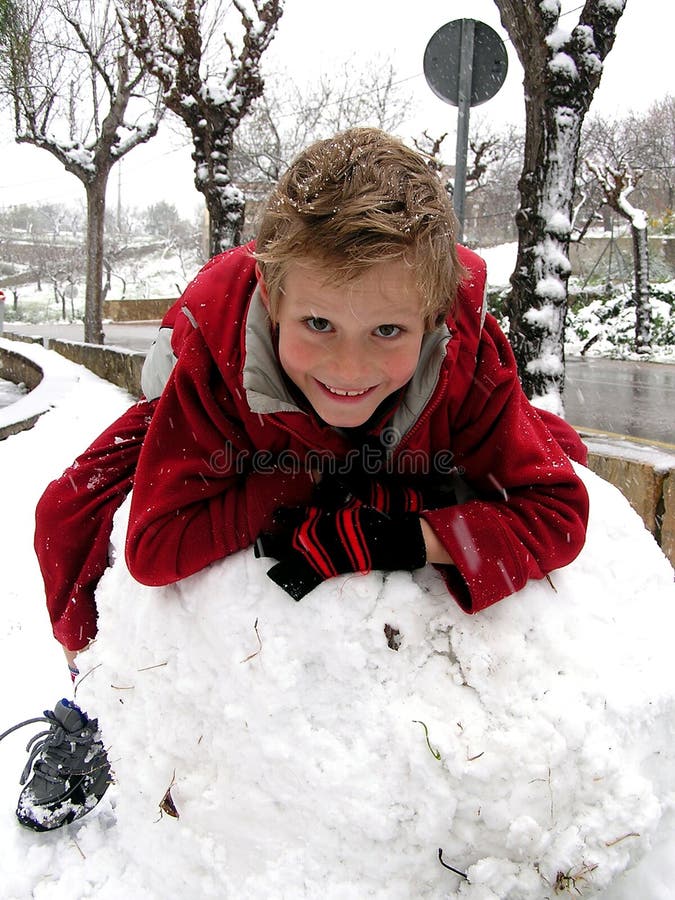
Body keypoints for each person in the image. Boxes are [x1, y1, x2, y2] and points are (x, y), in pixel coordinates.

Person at [0, 127, 589, 832]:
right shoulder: (217, 361)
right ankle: (95, 696)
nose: (348, 369)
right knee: (64, 513)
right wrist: (295, 482)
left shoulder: (468, 355)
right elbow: (154, 548)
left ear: (434, 318)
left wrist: (401, 537)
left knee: (561, 449)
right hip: (237, 425)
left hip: (379, 433)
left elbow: (558, 510)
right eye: (318, 323)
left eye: (388, 332)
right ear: (271, 300)